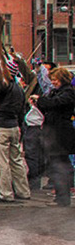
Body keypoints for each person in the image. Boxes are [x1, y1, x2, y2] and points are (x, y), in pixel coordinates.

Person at [30, 66, 74, 206]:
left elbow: (55, 104)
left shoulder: (68, 93)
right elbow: (49, 107)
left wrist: (41, 100)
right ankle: (61, 196)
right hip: (54, 133)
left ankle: (63, 198)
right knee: (57, 164)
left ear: (62, 79)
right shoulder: (57, 92)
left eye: (55, 79)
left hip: (60, 134)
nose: (53, 82)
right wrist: (38, 103)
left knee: (60, 165)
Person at [0, 78, 31, 202]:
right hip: (14, 126)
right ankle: (23, 191)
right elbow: (22, 109)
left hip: (0, 126)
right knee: (16, 160)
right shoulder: (19, 89)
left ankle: (6, 193)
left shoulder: (1, 88)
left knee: (0, 161)